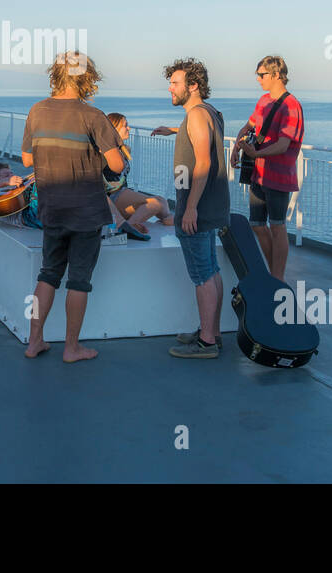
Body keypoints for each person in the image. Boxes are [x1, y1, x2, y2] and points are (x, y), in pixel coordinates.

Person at [21, 52, 126, 363]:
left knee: (48, 273)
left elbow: (27, 159)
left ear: (57, 75)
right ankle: (71, 348)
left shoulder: (37, 111)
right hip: (86, 210)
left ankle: (34, 341)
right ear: (87, 78)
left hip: (52, 207)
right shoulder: (93, 116)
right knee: (79, 279)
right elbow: (117, 165)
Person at [150, 58, 231, 359]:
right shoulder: (208, 112)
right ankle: (214, 332)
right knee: (211, 270)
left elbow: (204, 162)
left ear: (193, 85)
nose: (169, 88)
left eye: (175, 83)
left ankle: (206, 343)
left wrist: (190, 209)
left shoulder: (196, 115)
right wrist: (175, 130)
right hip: (213, 206)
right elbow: (201, 136)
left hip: (198, 206)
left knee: (201, 276)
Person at [229, 55, 304, 281]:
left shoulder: (292, 106)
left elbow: (283, 144)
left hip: (279, 177)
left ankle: (277, 278)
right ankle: (273, 274)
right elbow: (250, 125)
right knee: (258, 225)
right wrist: (236, 148)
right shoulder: (263, 101)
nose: (258, 79)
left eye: (262, 75)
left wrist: (256, 153)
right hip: (258, 174)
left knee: (278, 226)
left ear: (276, 75)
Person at [102, 113, 173, 235]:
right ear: (114, 130)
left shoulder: (124, 150)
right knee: (155, 203)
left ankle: (169, 219)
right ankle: (129, 226)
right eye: (125, 126)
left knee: (162, 201)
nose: (129, 128)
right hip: (112, 197)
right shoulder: (105, 152)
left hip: (122, 193)